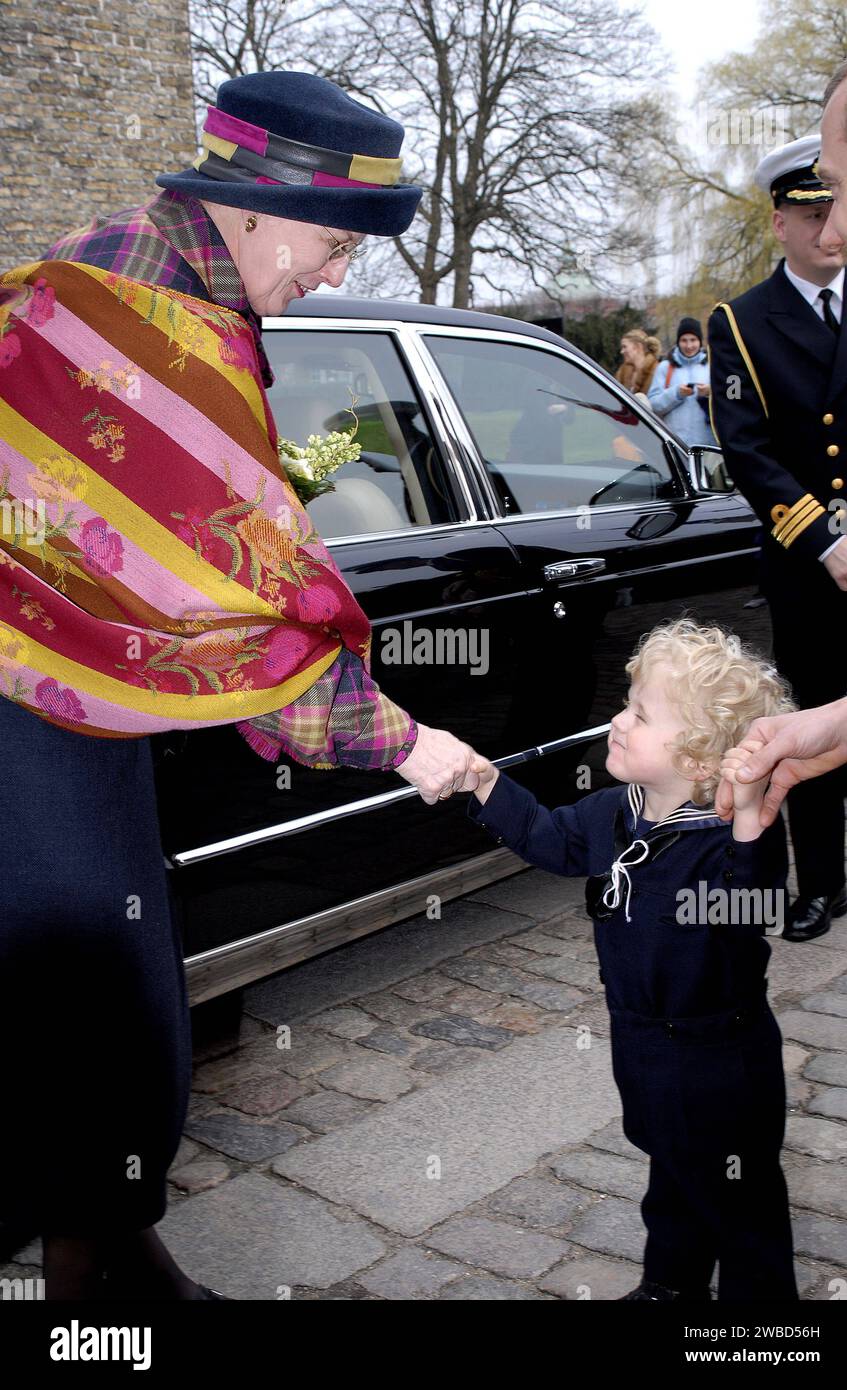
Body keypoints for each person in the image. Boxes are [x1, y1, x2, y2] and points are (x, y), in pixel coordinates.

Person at [0, 70, 482, 1302]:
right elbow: (220, 603)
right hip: (30, 728)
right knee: (98, 1015)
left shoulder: (143, 273)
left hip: (59, 702)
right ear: (259, 207)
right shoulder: (141, 305)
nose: (333, 272)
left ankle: (118, 1273)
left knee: (92, 1023)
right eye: (332, 242)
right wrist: (403, 738)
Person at [467, 619, 799, 1302]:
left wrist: (750, 821)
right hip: (641, 1039)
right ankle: (669, 1287)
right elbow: (546, 837)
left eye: (641, 716)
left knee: (741, 1205)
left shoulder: (726, 842)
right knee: (671, 1174)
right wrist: (482, 783)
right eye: (627, 704)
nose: (618, 721)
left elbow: (752, 901)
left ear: (704, 760)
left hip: (720, 1057)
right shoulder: (613, 814)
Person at [707, 132, 847, 944]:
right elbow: (748, 449)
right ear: (779, 223)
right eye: (808, 214)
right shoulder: (741, 321)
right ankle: (823, 886)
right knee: (809, 721)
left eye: (832, 207)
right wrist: (827, 541)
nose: (825, 228)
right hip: (808, 559)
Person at [647, 317, 716, 447]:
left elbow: (731, 398)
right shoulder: (665, 367)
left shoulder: (712, 366)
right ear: (678, 342)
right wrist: (677, 393)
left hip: (708, 446)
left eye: (693, 340)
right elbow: (653, 406)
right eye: (684, 340)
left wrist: (710, 392)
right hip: (675, 445)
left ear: (700, 342)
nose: (689, 346)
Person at [616, 328, 661, 400]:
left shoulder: (656, 371)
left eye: (625, 347)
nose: (622, 351)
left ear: (638, 347)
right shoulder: (623, 373)